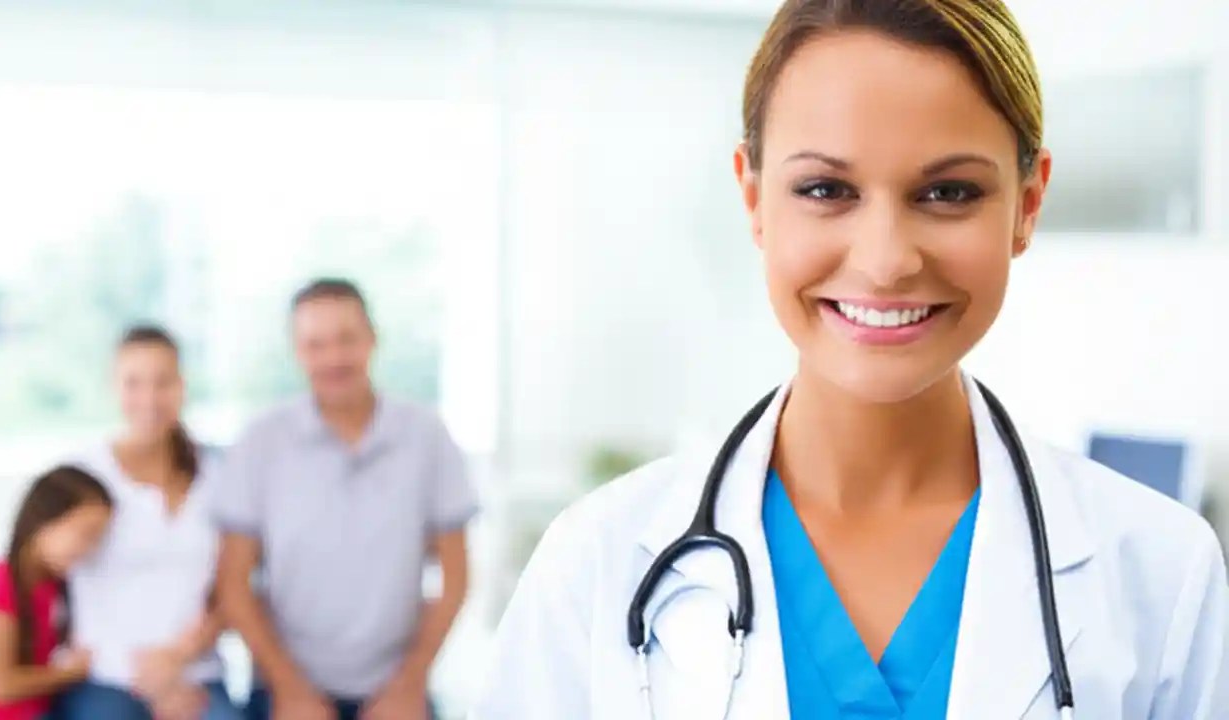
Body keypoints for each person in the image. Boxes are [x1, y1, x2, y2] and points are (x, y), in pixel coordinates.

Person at [471, 1, 1229, 718]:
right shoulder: (595, 566)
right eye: (827, 188)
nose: (886, 261)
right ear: (753, 198)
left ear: (1028, 204)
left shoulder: (1163, 573)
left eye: (949, 192)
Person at [215, 278, 478, 720]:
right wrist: (290, 689)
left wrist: (409, 685)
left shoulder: (427, 435)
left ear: (372, 340)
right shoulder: (261, 441)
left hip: (397, 686)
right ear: (297, 352)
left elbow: (456, 576)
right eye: (316, 345)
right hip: (285, 686)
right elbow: (234, 583)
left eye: (346, 340)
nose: (333, 358)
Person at [50, 326, 240, 720]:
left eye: (163, 382)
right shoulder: (80, 475)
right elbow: (23, 561)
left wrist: (177, 660)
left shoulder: (220, 472)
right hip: (104, 681)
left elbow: (235, 583)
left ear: (182, 385)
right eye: (133, 384)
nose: (150, 399)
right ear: (113, 388)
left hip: (196, 675)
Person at [0, 466, 112, 720]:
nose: (90, 549)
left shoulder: (49, 582)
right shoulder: (1, 586)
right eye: (85, 535)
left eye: (97, 539)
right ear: (44, 521)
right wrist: (73, 672)